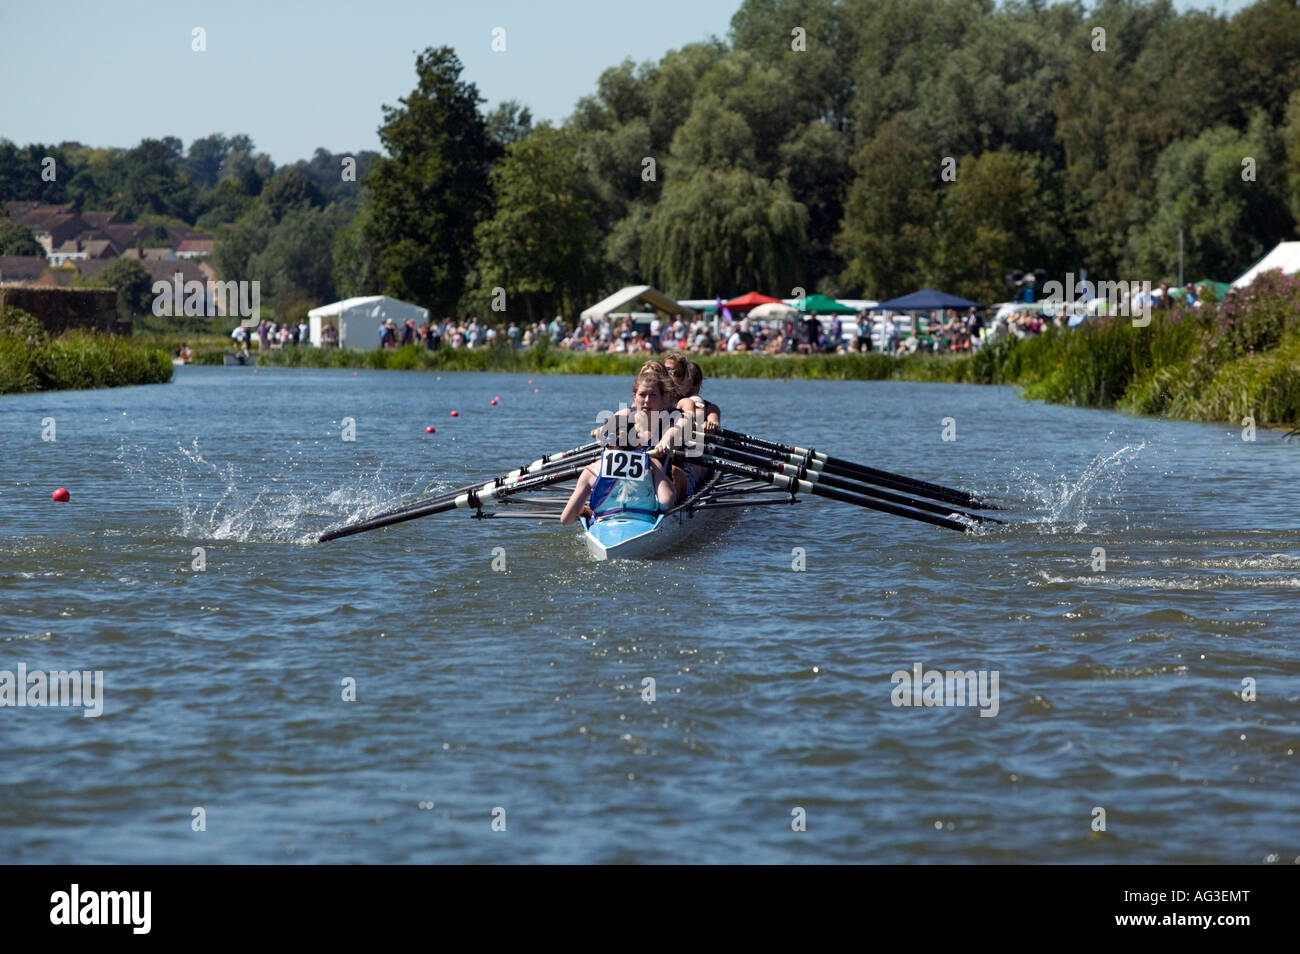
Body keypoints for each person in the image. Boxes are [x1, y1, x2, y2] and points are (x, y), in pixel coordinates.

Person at [562, 364, 678, 526]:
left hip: (639, 496)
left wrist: (665, 443)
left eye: (652, 395)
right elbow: (667, 502)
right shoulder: (652, 463)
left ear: (662, 397)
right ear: (634, 397)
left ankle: (600, 506)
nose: (646, 401)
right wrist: (600, 431)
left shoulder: (673, 421)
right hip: (647, 508)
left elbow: (674, 433)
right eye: (643, 395)